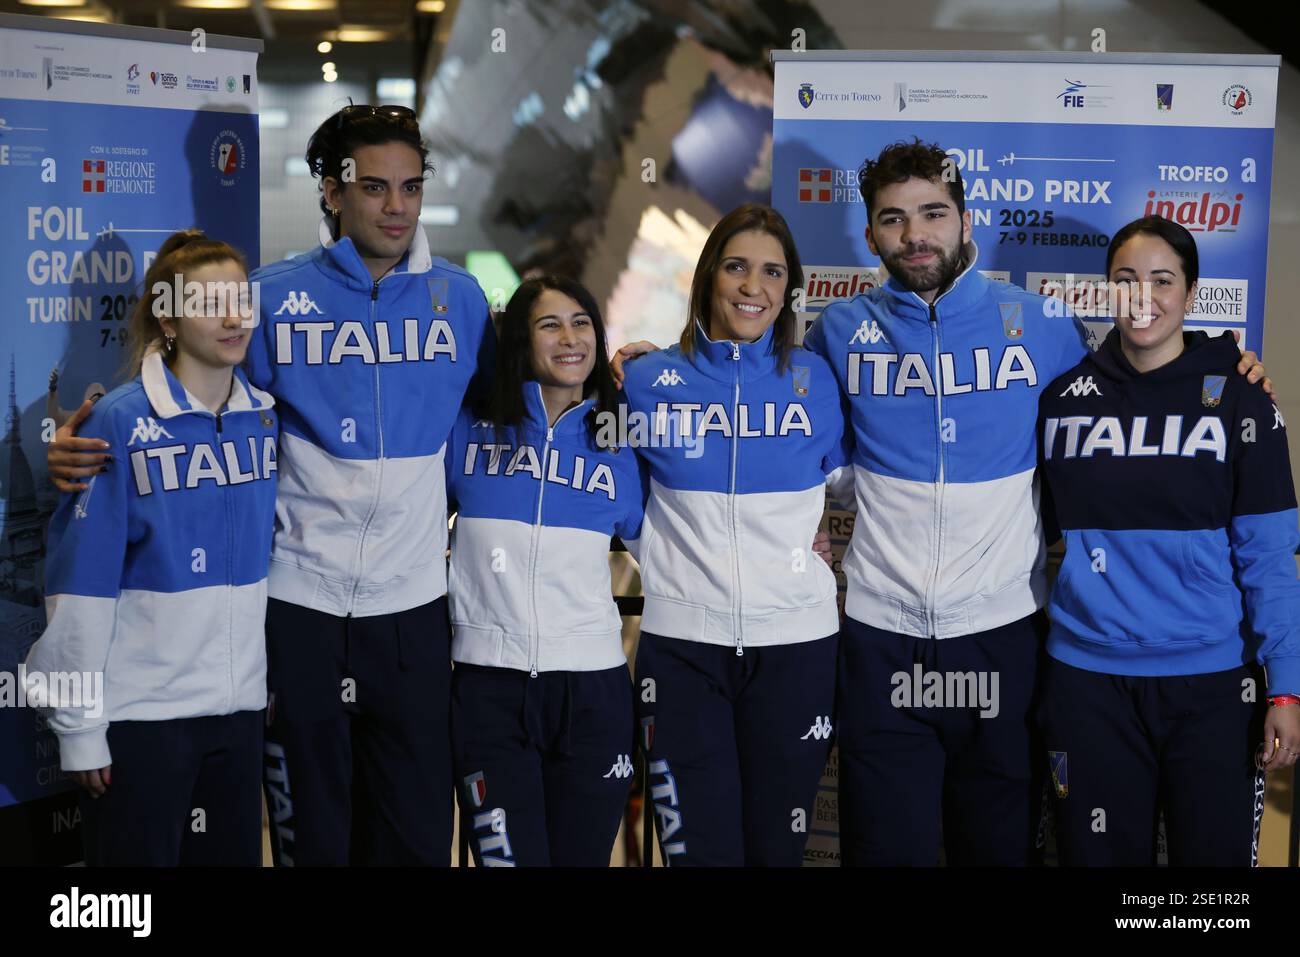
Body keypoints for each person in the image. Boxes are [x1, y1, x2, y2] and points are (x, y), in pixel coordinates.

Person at [797, 140, 1272, 866]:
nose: (914, 234)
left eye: (933, 212)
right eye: (893, 219)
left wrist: (1225, 364)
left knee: (1000, 850)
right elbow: (783, 424)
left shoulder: (1046, 324)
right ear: (869, 236)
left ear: (966, 218)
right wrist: (644, 364)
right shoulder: (835, 333)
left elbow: (1137, 373)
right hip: (881, 639)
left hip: (1003, 634)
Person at [48, 105, 496, 866]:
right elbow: (197, 403)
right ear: (331, 191)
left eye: (412, 187)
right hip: (299, 615)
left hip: (414, 611)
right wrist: (80, 445)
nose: (398, 207)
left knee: (417, 837)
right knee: (311, 838)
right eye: (376, 187)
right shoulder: (270, 297)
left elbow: (529, 403)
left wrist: (634, 372)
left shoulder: (465, 300)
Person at [1036, 215, 1300, 866]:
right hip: (1087, 685)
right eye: (1126, 279)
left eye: (1162, 279)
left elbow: (1270, 557)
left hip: (1212, 688)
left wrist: (1286, 687)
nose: (1143, 295)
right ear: (1107, 291)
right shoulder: (1063, 400)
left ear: (1190, 291)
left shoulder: (1242, 398)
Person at [26, 230, 278, 866]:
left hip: (239, 714)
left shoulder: (266, 417)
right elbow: (79, 587)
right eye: (209, 302)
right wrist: (80, 729)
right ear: (166, 317)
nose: (233, 317)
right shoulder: (116, 421)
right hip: (143, 723)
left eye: (242, 300)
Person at [618, 203, 852, 866]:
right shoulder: (643, 381)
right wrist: (670, 567)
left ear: (789, 288)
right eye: (738, 267)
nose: (755, 286)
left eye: (773, 271)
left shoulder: (815, 380)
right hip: (684, 652)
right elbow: (623, 501)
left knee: (776, 854)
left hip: (797, 651)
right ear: (707, 276)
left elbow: (849, 487)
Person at [447, 276, 643, 867]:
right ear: (520, 342)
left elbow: (677, 551)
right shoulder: (469, 429)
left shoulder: (621, 440)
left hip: (594, 694)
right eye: (549, 324)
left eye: (582, 322)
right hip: (489, 692)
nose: (570, 338)